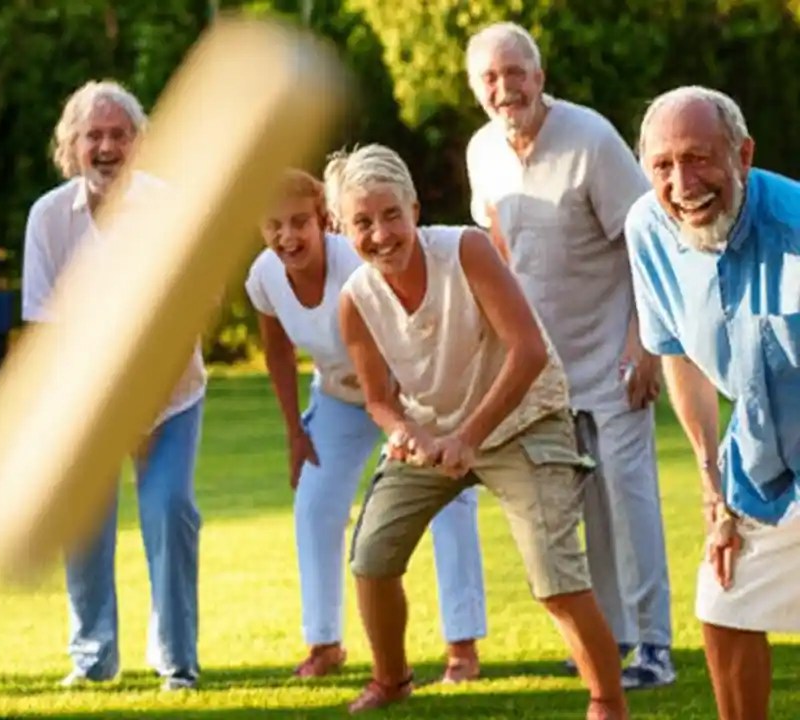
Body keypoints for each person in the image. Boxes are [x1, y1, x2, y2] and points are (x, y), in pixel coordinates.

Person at [327, 144, 627, 719]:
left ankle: (607, 701)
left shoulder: (466, 249)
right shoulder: (355, 301)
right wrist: (407, 431)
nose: (381, 233)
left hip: (523, 419)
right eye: (362, 222)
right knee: (371, 556)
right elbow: (376, 400)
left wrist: (467, 436)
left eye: (391, 214)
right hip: (436, 434)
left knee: (554, 576)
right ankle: (391, 680)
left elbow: (529, 351)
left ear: (414, 209)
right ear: (342, 229)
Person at [463, 21, 675, 688]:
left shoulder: (591, 139)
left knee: (629, 496)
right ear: (476, 90)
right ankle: (607, 640)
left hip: (614, 354)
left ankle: (655, 648)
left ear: (540, 74)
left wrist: (646, 346)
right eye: (489, 78)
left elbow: (647, 242)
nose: (505, 88)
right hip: (542, 370)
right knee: (580, 509)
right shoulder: (481, 151)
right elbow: (497, 250)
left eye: (515, 72)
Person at [246, 168, 487, 681]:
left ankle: (462, 645)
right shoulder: (264, 276)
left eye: (298, 223)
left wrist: (410, 421)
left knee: (448, 496)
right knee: (314, 504)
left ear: (324, 222)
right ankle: (324, 643)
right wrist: (294, 430)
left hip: (408, 391)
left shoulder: (355, 256)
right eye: (274, 226)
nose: (287, 237)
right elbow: (276, 351)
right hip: (337, 397)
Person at [22, 79, 207, 691]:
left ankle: (177, 662)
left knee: (169, 510)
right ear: (70, 146)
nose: (105, 146)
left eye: (117, 135)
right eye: (92, 135)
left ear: (140, 142)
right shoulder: (48, 218)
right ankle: (93, 658)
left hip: (170, 392)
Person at [625, 85, 800, 720]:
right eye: (663, 165)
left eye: (699, 159)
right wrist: (711, 485)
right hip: (759, 457)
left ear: (743, 155)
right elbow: (674, 351)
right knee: (724, 606)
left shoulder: (796, 228)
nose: (682, 183)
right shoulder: (647, 229)